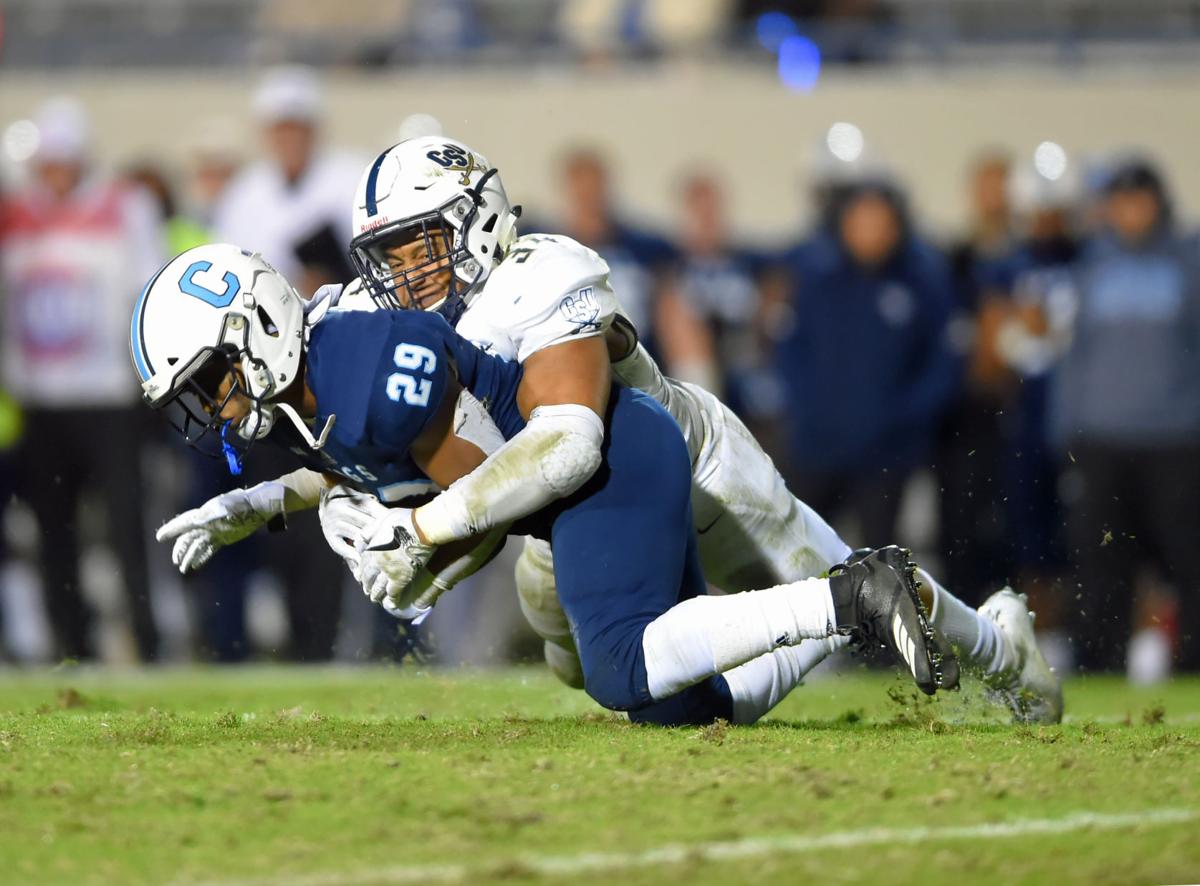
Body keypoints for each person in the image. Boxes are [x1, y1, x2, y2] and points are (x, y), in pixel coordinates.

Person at [159, 138, 1061, 723]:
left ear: (474, 218)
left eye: (417, 245)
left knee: (802, 602)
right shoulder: (379, 322)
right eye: (385, 256)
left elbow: (567, 440)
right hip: (552, 506)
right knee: (591, 672)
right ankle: (847, 617)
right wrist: (274, 496)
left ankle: (997, 650)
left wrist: (425, 533)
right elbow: (370, 441)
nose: (402, 275)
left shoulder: (543, 276)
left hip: (681, 466)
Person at [133, 244, 947, 725]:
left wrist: (415, 548)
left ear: (258, 329)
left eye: (213, 380)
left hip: (601, 465)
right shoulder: (317, 392)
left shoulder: (371, 374)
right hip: (567, 492)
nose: (218, 405)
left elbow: (488, 496)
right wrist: (255, 504)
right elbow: (355, 463)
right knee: (676, 707)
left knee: (621, 667)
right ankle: (841, 613)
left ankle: (849, 598)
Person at [0, 98, 163, 662]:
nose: (57, 174)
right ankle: (71, 645)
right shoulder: (15, 213)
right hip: (41, 401)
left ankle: (147, 641)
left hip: (108, 396)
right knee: (53, 534)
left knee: (126, 530)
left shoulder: (124, 206)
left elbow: (148, 293)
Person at [1052, 159, 1200, 673]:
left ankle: (1192, 662)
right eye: (1121, 201)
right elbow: (1073, 355)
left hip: (1176, 437)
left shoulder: (1189, 260)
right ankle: (1097, 660)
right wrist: (1064, 430)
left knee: (1187, 558)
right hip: (1101, 438)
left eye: (1139, 199)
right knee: (1099, 559)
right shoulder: (1092, 264)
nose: (1130, 212)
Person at [770, 179, 961, 549]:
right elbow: (788, 351)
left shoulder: (922, 282)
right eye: (861, 222)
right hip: (815, 449)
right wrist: (809, 412)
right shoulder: (815, 279)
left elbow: (942, 364)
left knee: (878, 558)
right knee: (798, 552)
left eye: (880, 222)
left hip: (887, 456)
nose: (870, 233)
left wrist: (901, 419)